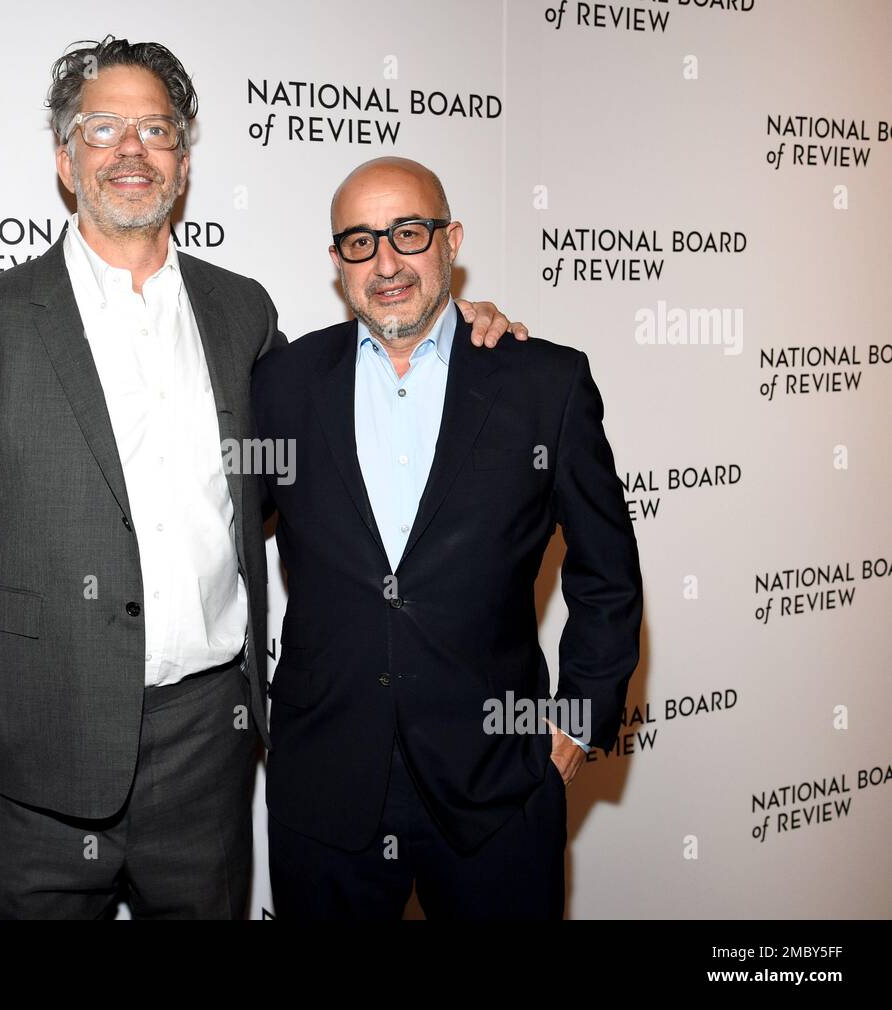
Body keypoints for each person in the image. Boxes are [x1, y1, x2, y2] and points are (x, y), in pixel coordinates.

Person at [0, 40, 526, 919]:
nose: (131, 149)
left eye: (156, 129)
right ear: (65, 158)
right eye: (104, 128)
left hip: (210, 748)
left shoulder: (242, 311)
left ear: (184, 161)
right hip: (34, 760)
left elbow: (340, 432)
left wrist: (444, 327)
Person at [251, 156, 643, 919]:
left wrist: (578, 718)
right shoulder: (283, 384)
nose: (387, 262)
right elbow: (219, 530)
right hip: (325, 785)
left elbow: (608, 573)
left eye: (409, 233)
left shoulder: (542, 383)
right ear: (337, 262)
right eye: (360, 242)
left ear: (450, 241)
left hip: (498, 783)